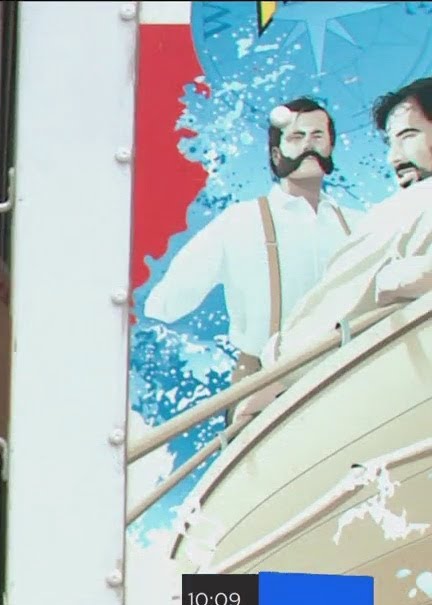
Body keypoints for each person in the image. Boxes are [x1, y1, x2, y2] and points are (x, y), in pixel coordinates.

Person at [232, 78, 432, 421]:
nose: (393, 158)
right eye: (390, 143)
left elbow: (372, 288)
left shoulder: (416, 202)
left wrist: (274, 379)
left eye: (408, 136)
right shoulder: (246, 220)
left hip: (304, 384)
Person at [143, 97, 361, 385]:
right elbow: (166, 303)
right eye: (297, 137)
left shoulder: (359, 224)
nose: (309, 145)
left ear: (331, 146)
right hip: (265, 382)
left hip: (348, 372)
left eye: (317, 136)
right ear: (275, 154)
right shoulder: (240, 222)